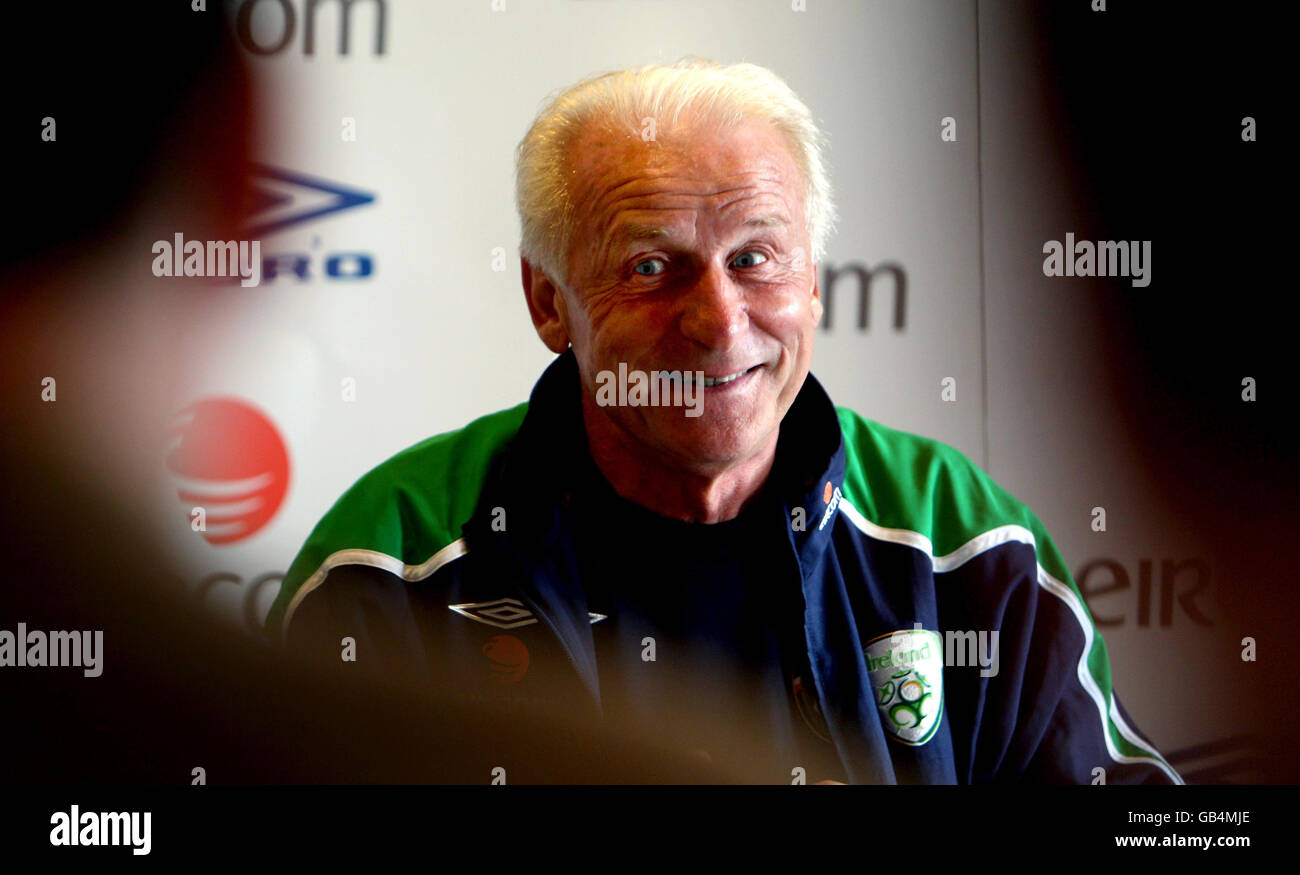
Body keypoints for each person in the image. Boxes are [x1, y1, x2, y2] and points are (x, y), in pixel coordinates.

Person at [268, 57, 1180, 785]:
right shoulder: (389, 567)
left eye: (755, 258)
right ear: (548, 301)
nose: (718, 321)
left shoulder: (963, 541)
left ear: (815, 284)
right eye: (652, 268)